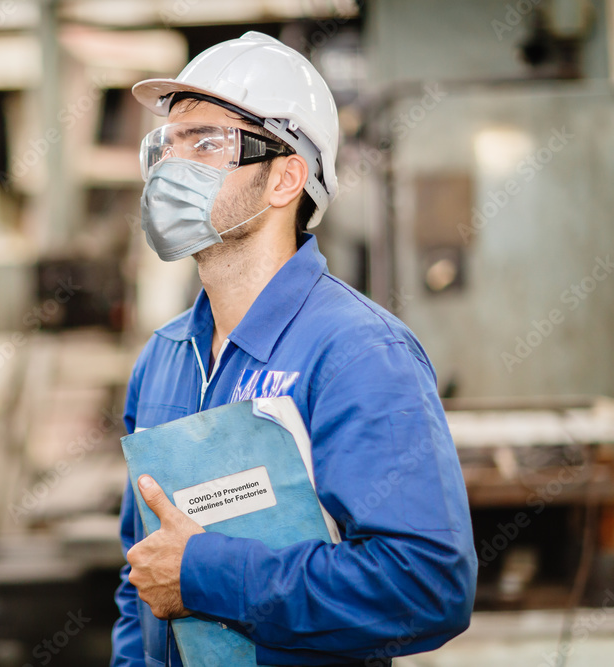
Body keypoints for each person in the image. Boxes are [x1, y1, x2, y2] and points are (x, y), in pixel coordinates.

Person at [111, 32, 477, 667]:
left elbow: (426, 585)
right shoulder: (163, 359)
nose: (172, 167)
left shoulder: (359, 354)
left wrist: (207, 575)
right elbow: (139, 575)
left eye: (205, 143)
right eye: (164, 147)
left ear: (285, 179)